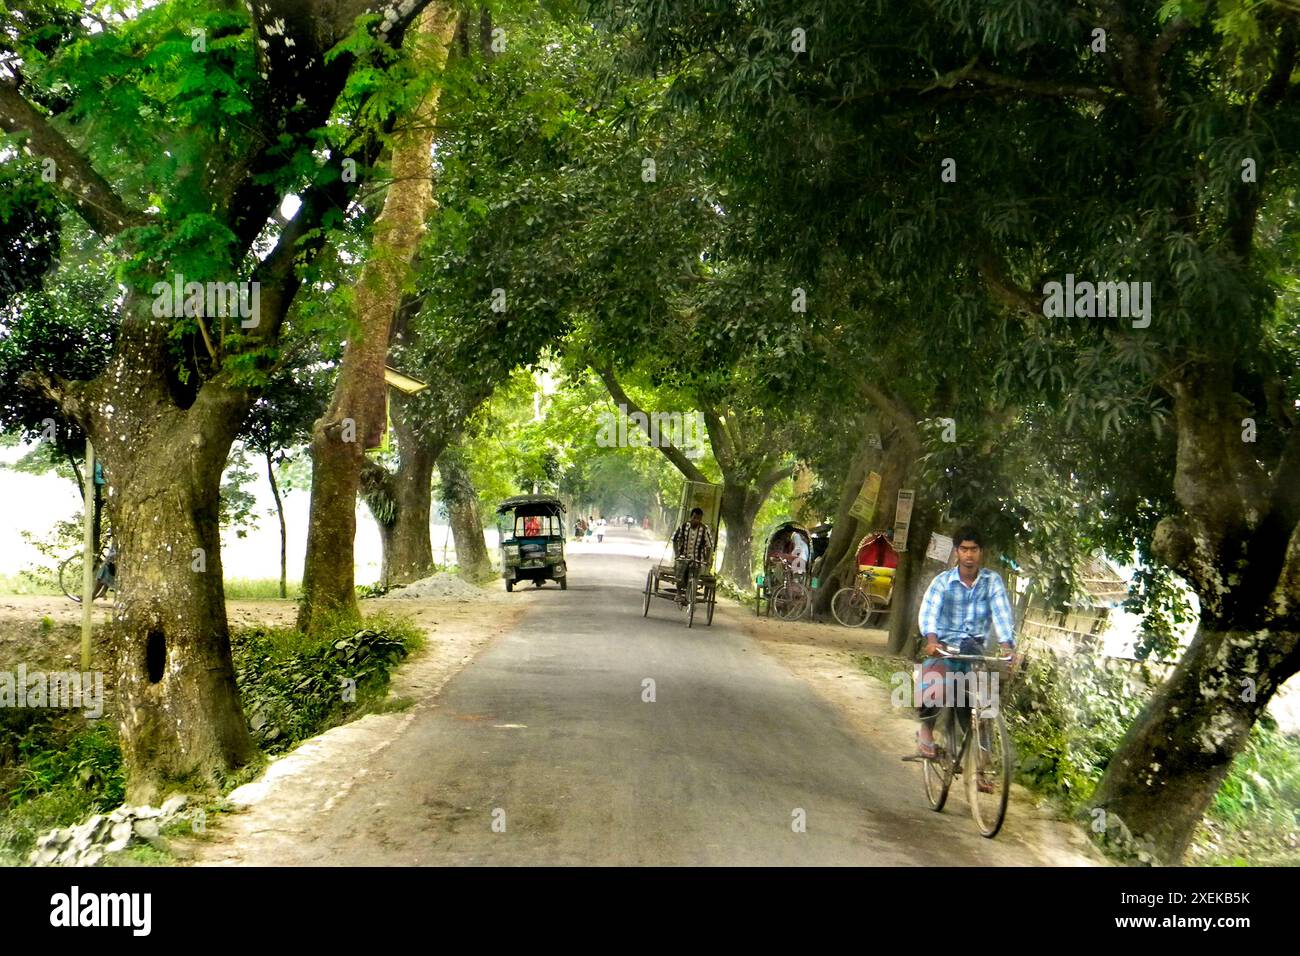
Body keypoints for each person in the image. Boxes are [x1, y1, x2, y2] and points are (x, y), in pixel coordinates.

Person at [915, 527, 1017, 791]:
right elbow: (929, 610)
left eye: (974, 549)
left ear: (981, 552)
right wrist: (932, 639)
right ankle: (926, 731)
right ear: (957, 551)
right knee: (934, 684)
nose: (969, 555)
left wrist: (1007, 645)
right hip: (946, 647)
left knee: (982, 708)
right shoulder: (943, 582)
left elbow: (1001, 613)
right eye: (964, 549)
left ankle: (981, 766)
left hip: (975, 650)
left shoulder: (991, 582)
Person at [671, 507, 714, 607]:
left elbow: (709, 546)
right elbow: (674, 540)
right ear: (691, 517)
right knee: (680, 571)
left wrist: (707, 560)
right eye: (694, 518)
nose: (696, 521)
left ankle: (690, 593)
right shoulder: (683, 526)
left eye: (699, 519)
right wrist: (677, 554)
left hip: (697, 559)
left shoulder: (704, 529)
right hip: (683, 557)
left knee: (695, 574)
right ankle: (678, 593)